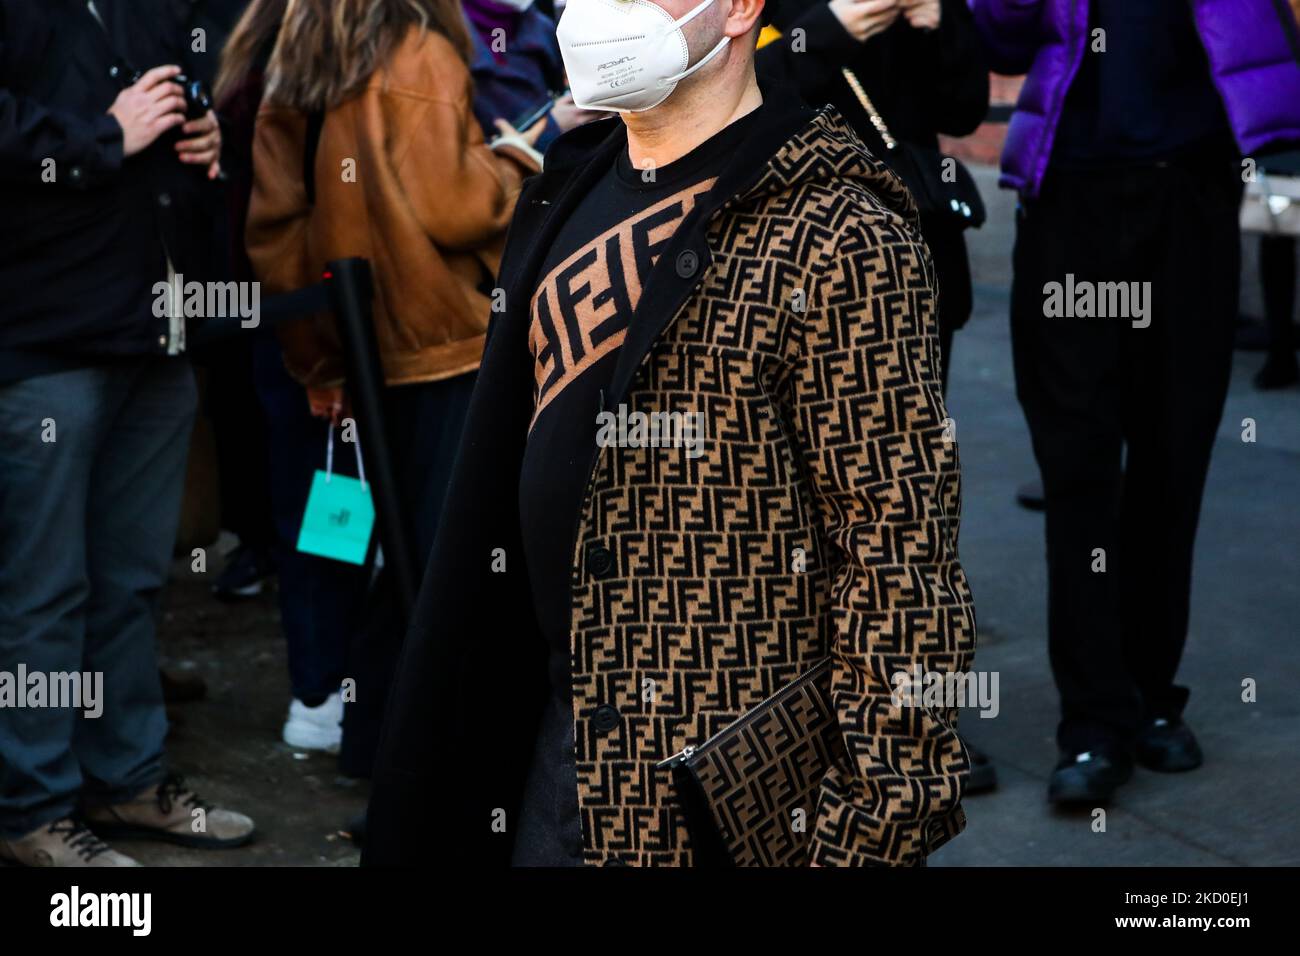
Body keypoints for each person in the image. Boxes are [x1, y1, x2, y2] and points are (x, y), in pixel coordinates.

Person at [365, 0, 977, 867]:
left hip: (730, 788)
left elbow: (898, 559)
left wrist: (874, 825)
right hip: (555, 747)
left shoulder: (841, 232)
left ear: (737, 9)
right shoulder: (570, 188)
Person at [970, 0, 1300, 805]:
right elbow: (999, 35)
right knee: (1078, 473)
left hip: (1193, 199)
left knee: (1173, 458)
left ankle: (1153, 699)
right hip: (1073, 204)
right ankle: (1091, 723)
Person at [245, 0, 540, 771]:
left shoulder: (293, 59)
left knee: (367, 544)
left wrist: (317, 361)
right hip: (442, 342)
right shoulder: (419, 49)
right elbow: (458, 205)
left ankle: (364, 734)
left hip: (353, 349)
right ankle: (425, 757)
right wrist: (522, 156)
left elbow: (276, 230)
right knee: (443, 563)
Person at [0, 0, 255, 867]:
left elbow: (174, 99)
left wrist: (203, 136)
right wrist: (104, 137)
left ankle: (126, 780)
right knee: (43, 591)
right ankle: (33, 810)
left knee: (132, 580)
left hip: (158, 327)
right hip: (44, 337)